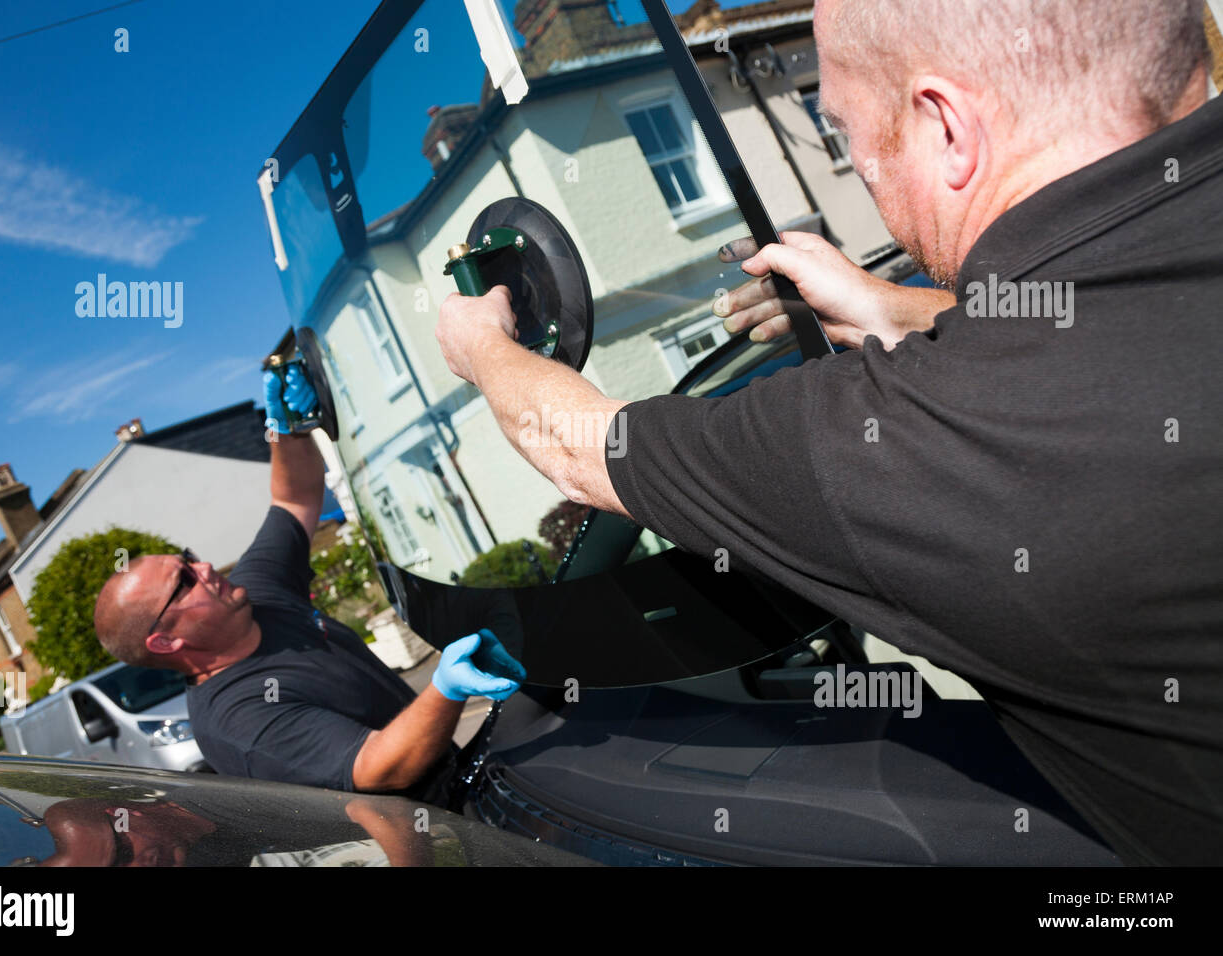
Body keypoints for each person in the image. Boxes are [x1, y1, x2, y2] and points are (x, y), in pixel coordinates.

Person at [433, 0, 1222, 864]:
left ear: (946, 127)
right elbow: (1092, 324)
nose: (862, 172)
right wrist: (890, 309)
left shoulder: (918, 437)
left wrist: (482, 347)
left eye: (846, 134)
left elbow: (578, 446)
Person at [92, 366, 525, 797]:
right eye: (184, 580)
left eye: (188, 558)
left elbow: (293, 499)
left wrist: (288, 428)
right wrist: (445, 687)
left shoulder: (258, 594)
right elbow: (377, 768)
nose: (204, 569)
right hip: (444, 838)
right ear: (165, 642)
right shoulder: (240, 720)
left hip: (471, 781)